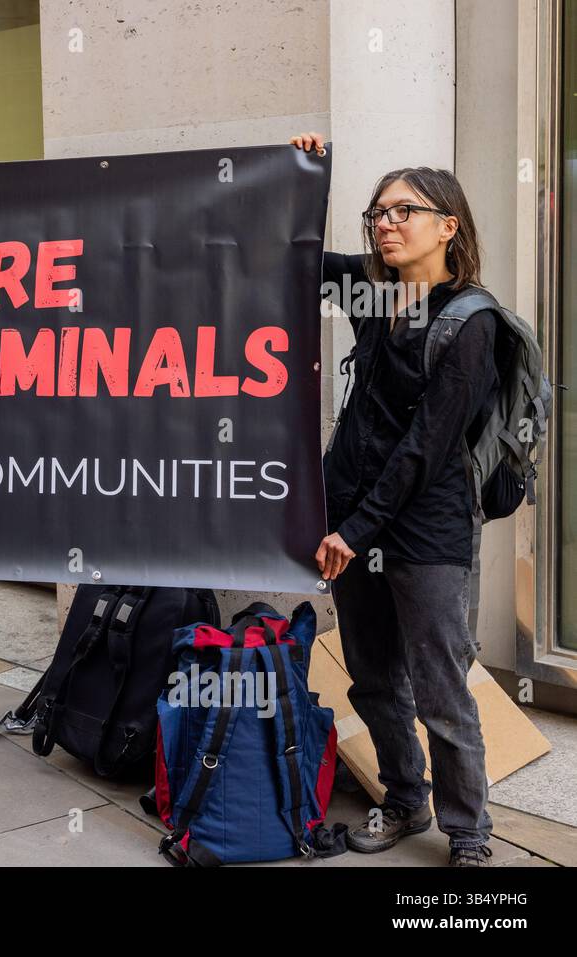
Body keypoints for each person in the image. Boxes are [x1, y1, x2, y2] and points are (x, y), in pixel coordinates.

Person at [291, 133, 498, 867]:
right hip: (350, 521)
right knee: (374, 678)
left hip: (424, 529)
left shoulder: (469, 320)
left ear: (448, 224)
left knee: (441, 689)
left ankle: (469, 833)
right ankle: (405, 801)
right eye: (376, 212)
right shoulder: (374, 291)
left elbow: (427, 446)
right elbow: (293, 261)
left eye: (403, 210)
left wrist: (355, 527)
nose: (384, 223)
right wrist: (304, 172)